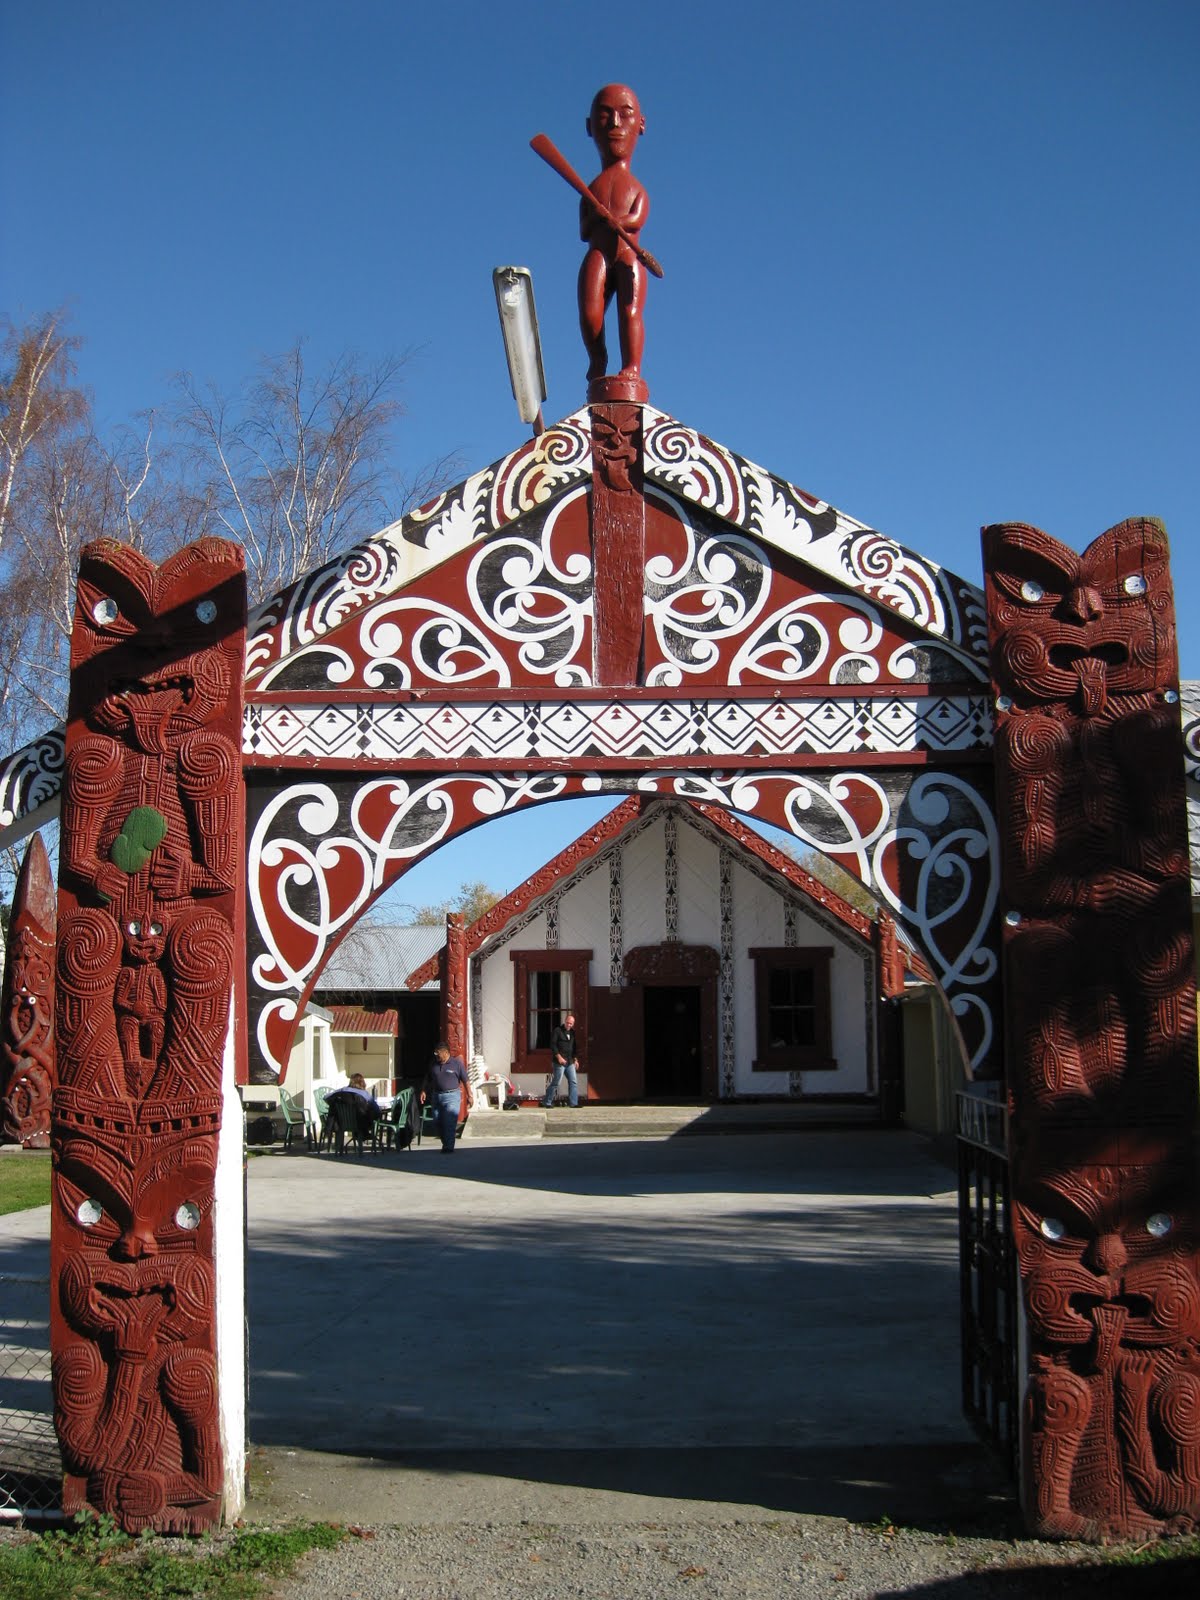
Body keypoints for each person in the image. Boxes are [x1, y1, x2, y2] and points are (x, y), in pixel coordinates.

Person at [578, 83, 649, 388]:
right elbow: (584, 230)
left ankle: (631, 366)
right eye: (605, 115)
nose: (616, 124)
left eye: (625, 114)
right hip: (599, 252)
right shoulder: (590, 190)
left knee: (629, 310)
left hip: (628, 254)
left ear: (641, 124)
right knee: (590, 310)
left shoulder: (636, 188)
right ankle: (598, 359)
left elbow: (638, 217)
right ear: (590, 126)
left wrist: (616, 219)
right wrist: (598, 218)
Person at [420, 1043, 473, 1153]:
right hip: (437, 1096)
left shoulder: (456, 1064)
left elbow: (466, 1080)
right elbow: (428, 1078)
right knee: (437, 1121)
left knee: (449, 1121)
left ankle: (449, 1146)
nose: (436, 1055)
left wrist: (470, 1095)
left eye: (438, 1053)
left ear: (446, 1052)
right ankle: (446, 1143)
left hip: (452, 1096)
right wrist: (423, 1090)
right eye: (435, 1053)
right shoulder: (433, 1064)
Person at [324, 1073, 379, 1148]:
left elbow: (326, 1097)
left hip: (341, 1123)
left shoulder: (342, 1090)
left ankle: (338, 1147)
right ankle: (365, 1136)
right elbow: (376, 1110)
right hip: (361, 1123)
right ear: (362, 1082)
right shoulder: (365, 1094)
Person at [542, 1011, 581, 1108]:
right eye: (568, 1023)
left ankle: (573, 1103)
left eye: (571, 1024)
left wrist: (575, 1059)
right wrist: (559, 1057)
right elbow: (553, 1045)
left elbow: (574, 1047)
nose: (569, 1025)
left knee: (573, 1081)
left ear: (573, 1024)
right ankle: (547, 1102)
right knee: (556, 1082)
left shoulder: (572, 1032)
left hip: (570, 1060)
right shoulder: (558, 1030)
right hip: (560, 1062)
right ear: (565, 1021)